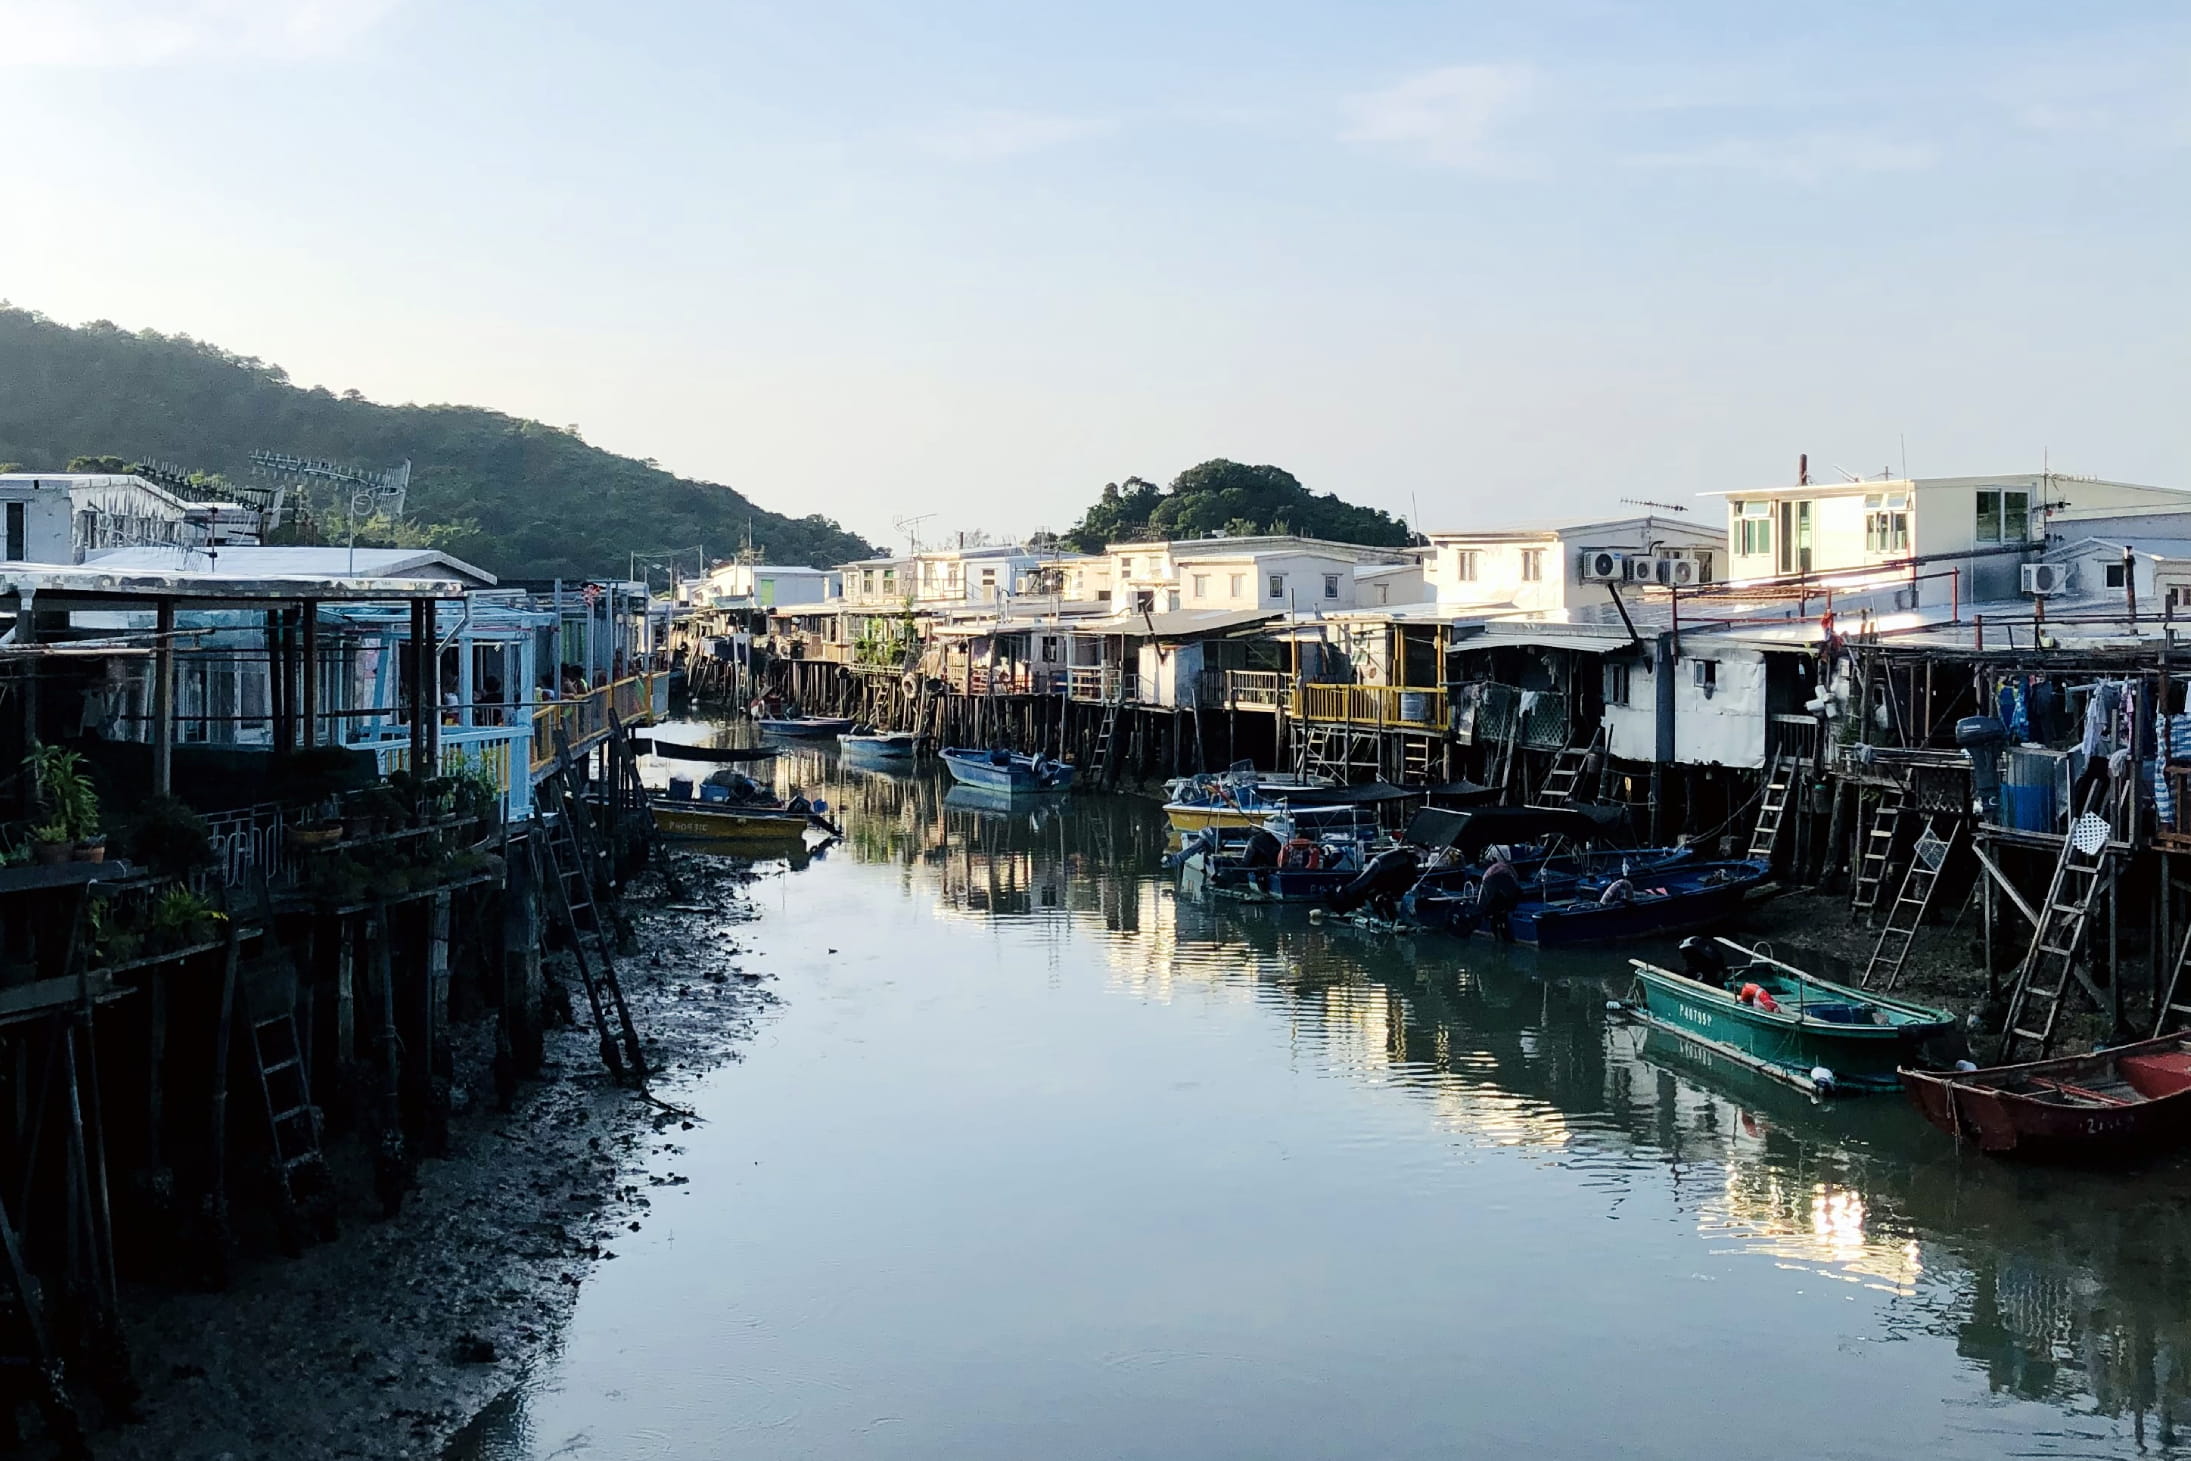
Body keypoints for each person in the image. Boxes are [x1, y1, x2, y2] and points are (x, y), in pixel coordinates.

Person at [1478, 853, 1523, 942]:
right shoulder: (1508, 868)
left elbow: (1483, 890)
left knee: (1493, 910)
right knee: (1510, 898)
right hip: (1498, 883)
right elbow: (1516, 883)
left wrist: (1480, 906)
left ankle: (1495, 932)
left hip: (1491, 885)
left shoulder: (1492, 869)